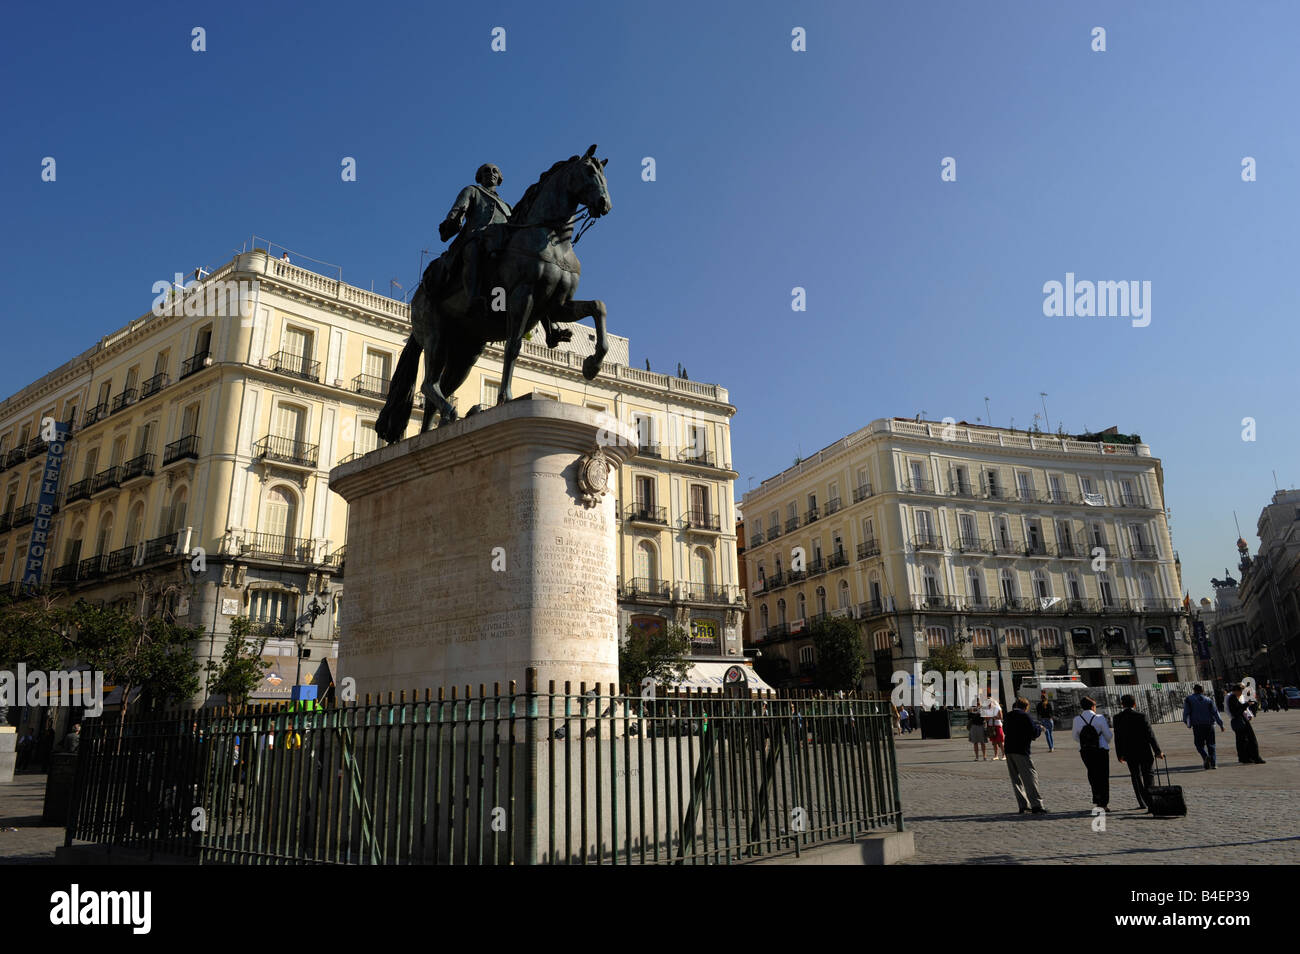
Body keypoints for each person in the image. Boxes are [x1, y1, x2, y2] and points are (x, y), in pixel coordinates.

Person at [1112, 695, 1163, 811]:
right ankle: (1152, 803)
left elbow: (1117, 738)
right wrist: (1158, 751)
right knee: (1148, 776)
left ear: (1122, 704)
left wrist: (1119, 754)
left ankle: (1142, 802)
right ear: (1134, 704)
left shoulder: (1117, 718)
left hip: (1129, 753)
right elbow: (1150, 735)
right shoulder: (1141, 716)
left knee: (1135, 777)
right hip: (1144, 751)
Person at [1003, 697, 1047, 814]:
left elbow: (1006, 731)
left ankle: (1023, 805)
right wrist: (1040, 729)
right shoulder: (1024, 716)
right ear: (1026, 707)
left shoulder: (1008, 715)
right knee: (1030, 777)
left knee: (1015, 779)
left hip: (1008, 749)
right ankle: (1037, 805)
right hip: (1021, 750)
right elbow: (1033, 731)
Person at [1071, 696, 1113, 809]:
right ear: (1093, 706)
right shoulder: (1099, 718)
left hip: (1086, 751)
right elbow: (1108, 735)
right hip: (1101, 750)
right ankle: (1104, 803)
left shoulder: (1076, 719)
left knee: (1092, 774)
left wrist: (1085, 741)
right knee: (1103, 776)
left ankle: (1097, 798)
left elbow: (1075, 737)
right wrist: (1103, 741)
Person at [1182, 683, 1223, 770]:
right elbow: (1215, 712)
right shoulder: (1209, 700)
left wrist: (1186, 722)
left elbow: (1186, 712)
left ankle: (1205, 756)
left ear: (1194, 690)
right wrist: (1221, 724)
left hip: (1197, 726)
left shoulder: (1189, 699)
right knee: (1211, 744)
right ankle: (1213, 763)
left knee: (1199, 745)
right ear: (1203, 690)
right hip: (1209, 725)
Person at [1226, 684, 1265, 764]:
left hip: (1241, 720)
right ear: (1236, 690)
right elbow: (1236, 711)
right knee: (1250, 739)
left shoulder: (1234, 697)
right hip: (1240, 720)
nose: (1242, 693)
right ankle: (1255, 757)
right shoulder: (1232, 698)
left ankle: (1245, 757)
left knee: (1242, 740)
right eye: (1241, 691)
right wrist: (1247, 705)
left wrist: (1247, 708)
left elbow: (1241, 708)